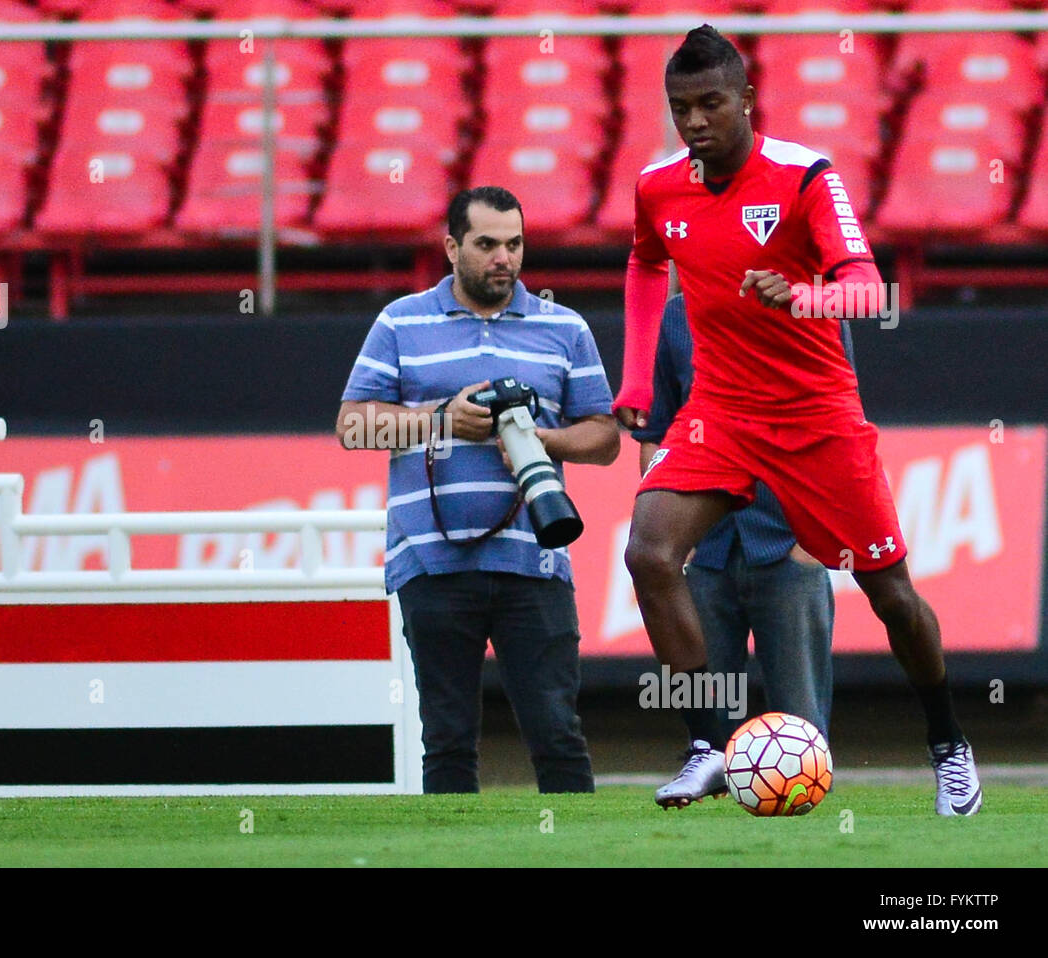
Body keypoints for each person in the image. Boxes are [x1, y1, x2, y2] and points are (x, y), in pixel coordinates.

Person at [613, 26, 982, 815]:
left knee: (892, 595)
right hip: (722, 412)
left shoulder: (806, 176)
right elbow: (646, 264)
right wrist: (638, 378)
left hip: (816, 420)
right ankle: (708, 742)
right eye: (681, 108)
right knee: (649, 551)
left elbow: (866, 289)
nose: (696, 122)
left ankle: (949, 743)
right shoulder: (659, 185)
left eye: (711, 103)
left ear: (747, 99)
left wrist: (804, 294)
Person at [336, 186, 621, 793]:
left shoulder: (564, 327)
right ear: (451, 247)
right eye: (487, 244)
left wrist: (537, 438)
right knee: (446, 738)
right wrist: (444, 420)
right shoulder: (400, 320)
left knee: (557, 733)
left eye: (514, 244)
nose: (504, 259)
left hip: (534, 558)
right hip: (431, 560)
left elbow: (604, 439)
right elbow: (353, 425)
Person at [632, 285, 839, 807]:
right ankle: (704, 792)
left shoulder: (807, 305)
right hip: (706, 546)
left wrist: (818, 538)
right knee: (705, 708)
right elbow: (657, 433)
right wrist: (668, 531)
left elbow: (837, 420)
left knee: (801, 715)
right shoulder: (673, 319)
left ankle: (804, 816)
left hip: (786, 539)